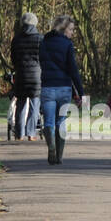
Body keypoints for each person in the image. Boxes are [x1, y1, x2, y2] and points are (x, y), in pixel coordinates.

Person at [38, 14, 85, 165]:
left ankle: (51, 147)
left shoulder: (44, 42)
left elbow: (41, 63)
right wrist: (80, 92)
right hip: (64, 88)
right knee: (61, 122)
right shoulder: (67, 45)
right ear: (64, 29)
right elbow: (73, 70)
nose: (72, 33)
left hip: (47, 88)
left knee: (49, 122)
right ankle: (59, 156)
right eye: (71, 29)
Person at [10, 11, 42, 141]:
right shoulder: (41, 39)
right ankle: (31, 133)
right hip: (36, 77)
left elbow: (13, 58)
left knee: (21, 105)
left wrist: (18, 68)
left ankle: (19, 134)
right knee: (35, 105)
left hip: (21, 75)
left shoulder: (16, 39)